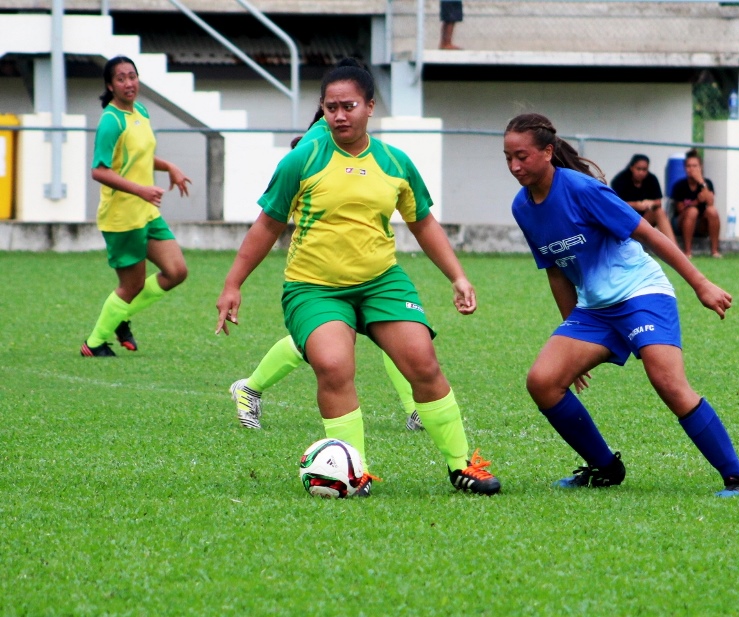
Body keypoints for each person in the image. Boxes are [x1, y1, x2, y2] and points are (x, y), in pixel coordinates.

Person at [215, 58, 500, 497]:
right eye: (331, 107)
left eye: (349, 106)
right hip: (314, 287)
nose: (340, 115)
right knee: (333, 365)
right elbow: (267, 224)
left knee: (422, 361)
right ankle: (354, 471)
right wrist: (233, 284)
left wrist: (457, 277)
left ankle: (463, 466)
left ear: (370, 107)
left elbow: (423, 222)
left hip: (381, 282)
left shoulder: (394, 162)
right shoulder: (303, 159)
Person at [503, 112, 739, 497]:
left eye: (521, 155)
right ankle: (605, 469)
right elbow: (556, 272)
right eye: (507, 157)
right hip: (594, 310)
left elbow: (650, 234)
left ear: (547, 152)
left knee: (668, 382)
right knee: (543, 381)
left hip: (641, 294)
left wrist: (700, 284)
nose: (514, 165)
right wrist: (569, 334)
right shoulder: (522, 208)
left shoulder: (583, 190)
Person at [231, 110, 423, 433]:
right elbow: (279, 202)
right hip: (318, 272)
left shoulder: (361, 142)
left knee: (391, 330)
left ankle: (415, 408)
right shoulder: (322, 136)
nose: (344, 113)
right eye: (336, 105)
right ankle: (249, 388)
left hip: (367, 269)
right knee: (324, 345)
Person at [81, 56, 191, 357]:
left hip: (146, 211)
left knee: (176, 271)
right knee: (132, 285)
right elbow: (99, 170)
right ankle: (94, 344)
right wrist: (140, 189)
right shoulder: (111, 121)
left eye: (133, 76)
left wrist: (169, 166)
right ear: (110, 85)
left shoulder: (140, 111)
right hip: (122, 216)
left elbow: (140, 156)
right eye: (121, 78)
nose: (129, 83)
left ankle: (120, 316)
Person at [610, 154, 677, 246]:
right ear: (632, 168)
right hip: (626, 221)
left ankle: (673, 248)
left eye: (644, 170)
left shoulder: (652, 179)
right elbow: (615, 205)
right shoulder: (620, 180)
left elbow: (658, 202)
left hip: (644, 220)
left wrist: (651, 203)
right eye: (638, 169)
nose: (641, 172)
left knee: (659, 212)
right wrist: (636, 205)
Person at [670, 149, 721, 259]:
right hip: (681, 221)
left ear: (701, 167)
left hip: (701, 223)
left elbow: (710, 203)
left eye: (695, 166)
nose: (691, 169)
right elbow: (679, 209)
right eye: (688, 166)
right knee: (692, 211)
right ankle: (687, 252)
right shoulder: (680, 185)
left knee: (712, 211)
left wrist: (701, 182)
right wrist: (696, 202)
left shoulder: (707, 183)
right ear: (684, 168)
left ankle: (715, 251)